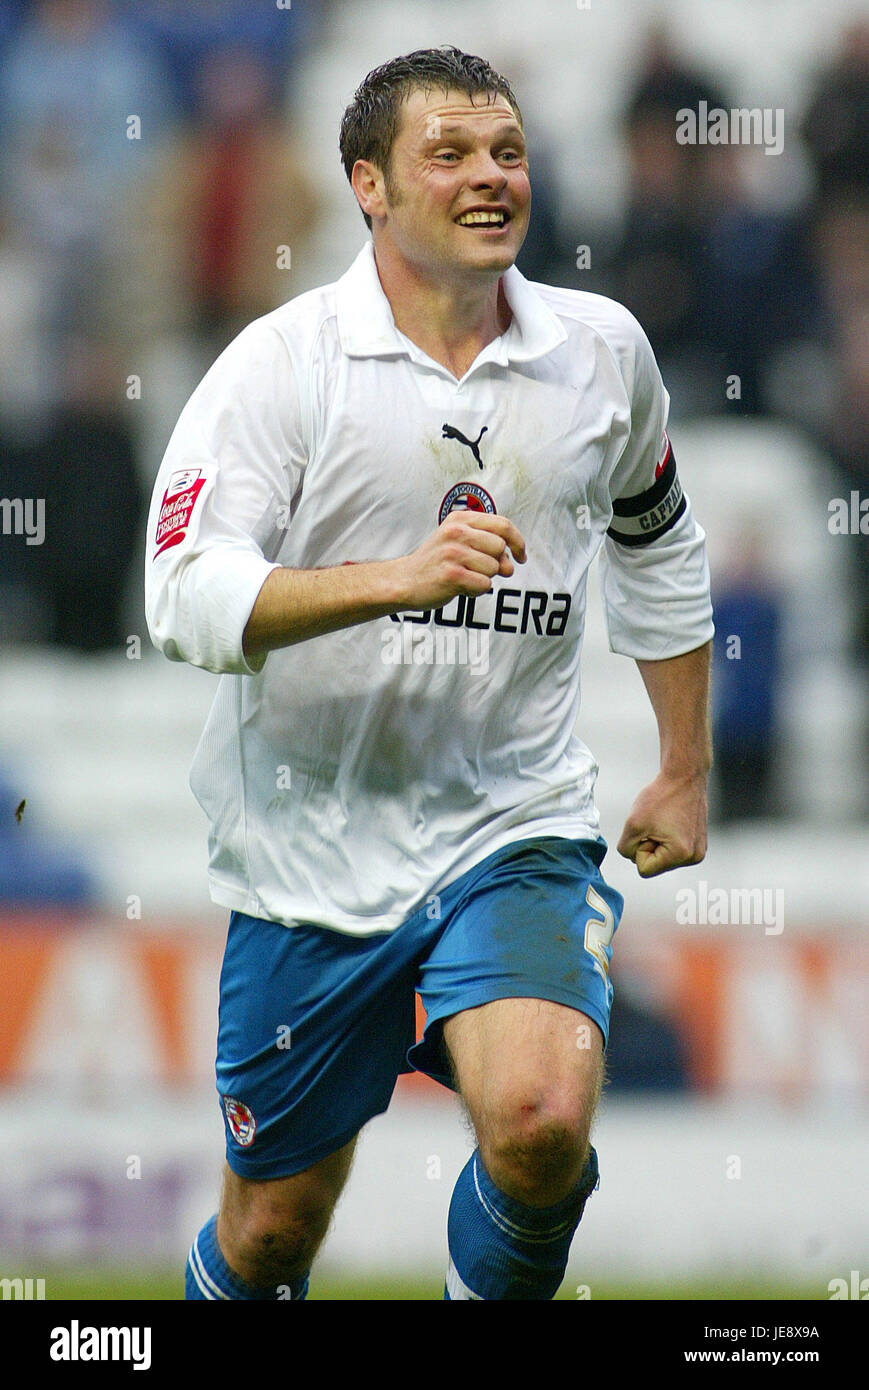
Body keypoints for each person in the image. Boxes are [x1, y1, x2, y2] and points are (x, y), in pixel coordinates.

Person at [145, 46, 714, 1302]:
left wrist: (680, 765)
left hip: (512, 823)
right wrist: (390, 577)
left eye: (505, 152)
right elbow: (181, 596)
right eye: (446, 154)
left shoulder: (600, 353)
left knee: (539, 1122)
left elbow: (656, 537)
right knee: (272, 1232)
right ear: (367, 184)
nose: (487, 178)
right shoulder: (278, 366)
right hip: (307, 852)